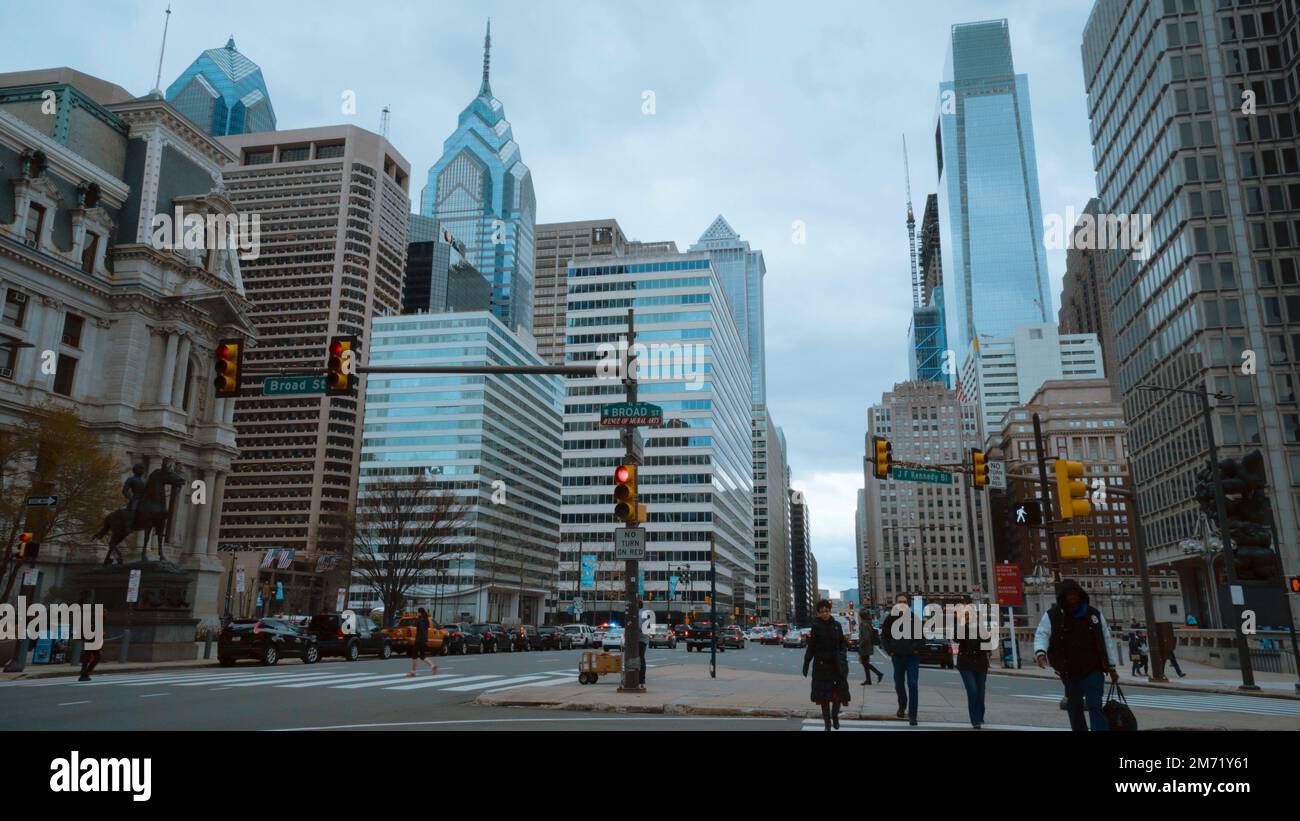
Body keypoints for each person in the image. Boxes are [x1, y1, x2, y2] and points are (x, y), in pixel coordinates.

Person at [1033, 579, 1120, 731]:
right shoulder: (1053, 616)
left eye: (1075, 594)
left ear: (1080, 595)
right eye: (1068, 595)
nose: (1072, 598)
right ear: (1063, 597)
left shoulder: (1094, 615)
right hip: (1068, 670)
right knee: (1075, 707)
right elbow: (1042, 634)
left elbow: (1106, 641)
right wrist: (1040, 652)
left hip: (1094, 668)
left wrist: (1111, 667)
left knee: (1095, 705)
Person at [803, 600, 851, 730]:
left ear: (830, 611)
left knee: (837, 696)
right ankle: (827, 724)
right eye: (822, 611)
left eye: (827, 611)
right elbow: (811, 646)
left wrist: (842, 655)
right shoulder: (816, 626)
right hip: (821, 666)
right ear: (818, 613)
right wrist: (806, 662)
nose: (825, 613)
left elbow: (842, 643)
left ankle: (834, 715)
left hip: (836, 665)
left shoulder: (837, 625)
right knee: (824, 698)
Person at [881, 593, 924, 726]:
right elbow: (884, 637)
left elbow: (922, 638)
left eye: (904, 602)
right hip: (897, 657)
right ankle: (902, 705)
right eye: (900, 601)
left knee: (913, 684)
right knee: (899, 684)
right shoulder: (890, 619)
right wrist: (891, 651)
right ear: (895, 603)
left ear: (908, 604)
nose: (902, 604)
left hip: (912, 657)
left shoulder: (914, 618)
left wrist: (915, 649)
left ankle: (913, 715)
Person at [955, 604, 990, 729]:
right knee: (973, 691)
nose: (967, 617)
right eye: (965, 615)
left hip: (980, 663)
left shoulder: (981, 628)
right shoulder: (960, 627)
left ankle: (980, 715)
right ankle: (975, 720)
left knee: (980, 692)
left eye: (969, 614)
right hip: (965, 664)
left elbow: (988, 643)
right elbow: (956, 638)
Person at [406, 607, 438, 677]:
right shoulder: (426, 620)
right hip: (424, 639)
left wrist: (417, 618)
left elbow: (415, 625)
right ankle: (432, 665)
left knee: (414, 655)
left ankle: (413, 672)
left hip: (419, 640)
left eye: (418, 612)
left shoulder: (419, 620)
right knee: (422, 655)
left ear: (420, 612)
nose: (417, 613)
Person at [857, 611, 884, 685]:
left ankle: (878, 674)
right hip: (869, 645)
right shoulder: (868, 623)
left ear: (861, 616)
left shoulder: (863, 624)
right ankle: (869, 680)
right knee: (865, 663)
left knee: (865, 663)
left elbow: (865, 637)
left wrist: (860, 646)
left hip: (865, 646)